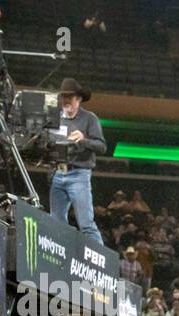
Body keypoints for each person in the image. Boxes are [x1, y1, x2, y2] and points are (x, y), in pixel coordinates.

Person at [48, 79, 107, 245]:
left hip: (79, 174)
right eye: (64, 97)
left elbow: (101, 146)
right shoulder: (55, 119)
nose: (66, 101)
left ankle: (101, 266)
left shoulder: (89, 119)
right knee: (56, 222)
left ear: (79, 99)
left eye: (70, 97)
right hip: (58, 173)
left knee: (86, 224)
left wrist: (83, 140)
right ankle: (61, 257)